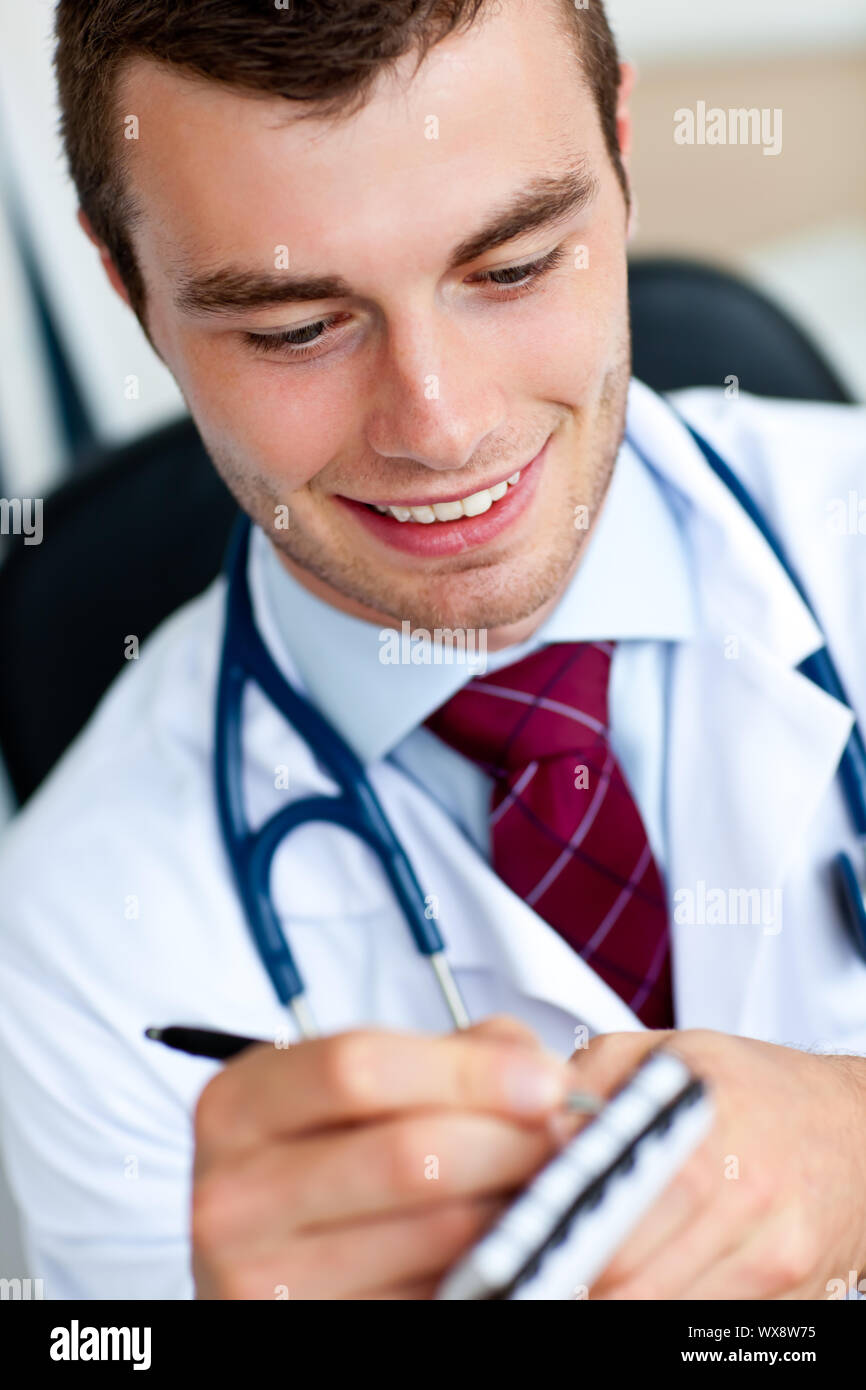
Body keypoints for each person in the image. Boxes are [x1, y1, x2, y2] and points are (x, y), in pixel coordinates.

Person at [1, 0, 865, 1301]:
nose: (441, 425)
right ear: (129, 287)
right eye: (295, 329)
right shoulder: (73, 953)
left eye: (513, 266)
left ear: (620, 150)